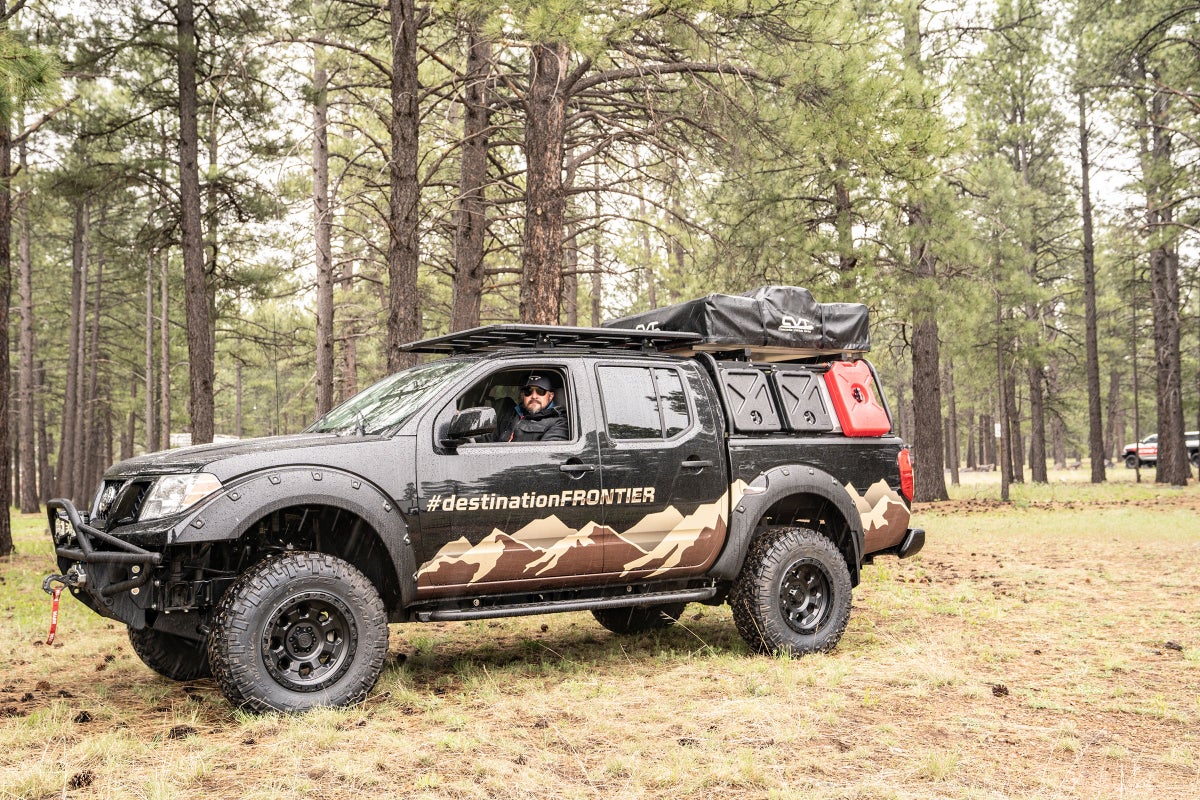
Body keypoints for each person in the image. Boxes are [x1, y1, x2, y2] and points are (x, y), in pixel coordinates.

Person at [495, 374, 569, 442]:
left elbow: (545, 454)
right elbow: (490, 440)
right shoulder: (510, 416)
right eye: (528, 391)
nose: (534, 396)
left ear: (550, 396)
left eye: (540, 391)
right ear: (522, 396)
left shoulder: (560, 423)